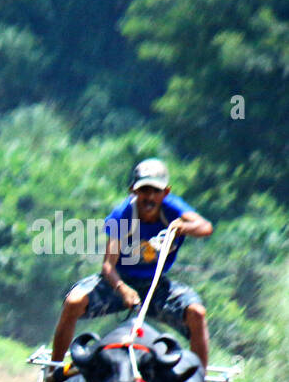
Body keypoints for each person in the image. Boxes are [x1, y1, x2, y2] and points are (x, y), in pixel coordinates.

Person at [48, 157, 213, 371]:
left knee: (197, 314)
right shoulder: (122, 216)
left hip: (156, 286)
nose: (150, 197)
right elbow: (108, 266)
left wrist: (183, 226)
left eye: (155, 191)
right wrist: (122, 289)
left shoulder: (173, 210)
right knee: (73, 302)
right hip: (118, 283)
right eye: (144, 191)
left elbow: (205, 227)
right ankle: (54, 372)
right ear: (133, 191)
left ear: (166, 193)